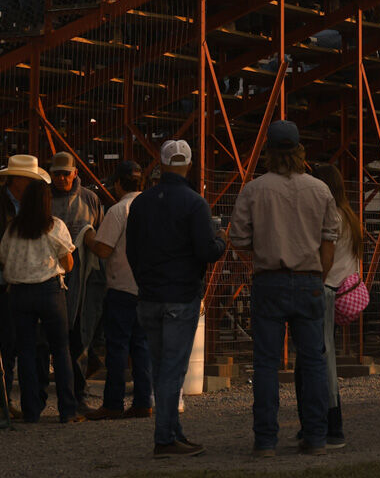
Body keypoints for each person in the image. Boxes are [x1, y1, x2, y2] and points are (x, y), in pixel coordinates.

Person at [229, 121, 337, 457]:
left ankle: (265, 441)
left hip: (269, 280)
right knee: (314, 362)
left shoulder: (254, 190)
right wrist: (318, 277)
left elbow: (238, 238)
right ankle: (316, 437)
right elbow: (329, 241)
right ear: (300, 150)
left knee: (266, 363)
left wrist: (264, 248)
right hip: (309, 280)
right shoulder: (320, 190)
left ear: (269, 152)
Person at [127, 139, 225, 458]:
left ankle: (173, 432)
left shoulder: (141, 203)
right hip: (181, 296)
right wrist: (222, 242)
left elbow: (131, 251)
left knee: (161, 368)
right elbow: (205, 251)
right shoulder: (195, 204)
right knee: (173, 370)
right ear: (189, 165)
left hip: (149, 297)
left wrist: (144, 281)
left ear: (162, 164)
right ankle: (165, 438)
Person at [0, 169, 81, 424]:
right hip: (49, 291)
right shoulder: (55, 226)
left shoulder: (12, 228)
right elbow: (68, 264)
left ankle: (31, 411)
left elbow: (4, 259)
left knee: (25, 352)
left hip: (19, 294)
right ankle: (67, 410)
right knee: (61, 350)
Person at [85, 163, 154, 420]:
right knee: (142, 347)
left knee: (117, 347)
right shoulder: (154, 207)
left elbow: (103, 250)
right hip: (148, 289)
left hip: (122, 288)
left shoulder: (118, 210)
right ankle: (143, 401)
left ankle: (113, 403)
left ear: (117, 183)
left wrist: (87, 235)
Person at [0, 154, 44, 412]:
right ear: (16, 179)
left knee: (9, 342)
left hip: (14, 281)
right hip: (1, 283)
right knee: (4, 342)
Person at [312, 162, 364, 447]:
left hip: (327, 290)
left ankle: (332, 426)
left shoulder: (329, 216)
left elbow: (324, 255)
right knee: (325, 357)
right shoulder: (349, 216)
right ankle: (326, 425)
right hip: (344, 290)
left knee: (323, 361)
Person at [47, 154, 103, 400]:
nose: (61, 178)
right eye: (56, 174)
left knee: (80, 329)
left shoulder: (90, 199)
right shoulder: (45, 198)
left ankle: (78, 390)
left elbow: (99, 236)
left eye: (65, 173)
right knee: (53, 333)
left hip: (83, 275)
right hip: (51, 272)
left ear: (75, 173)